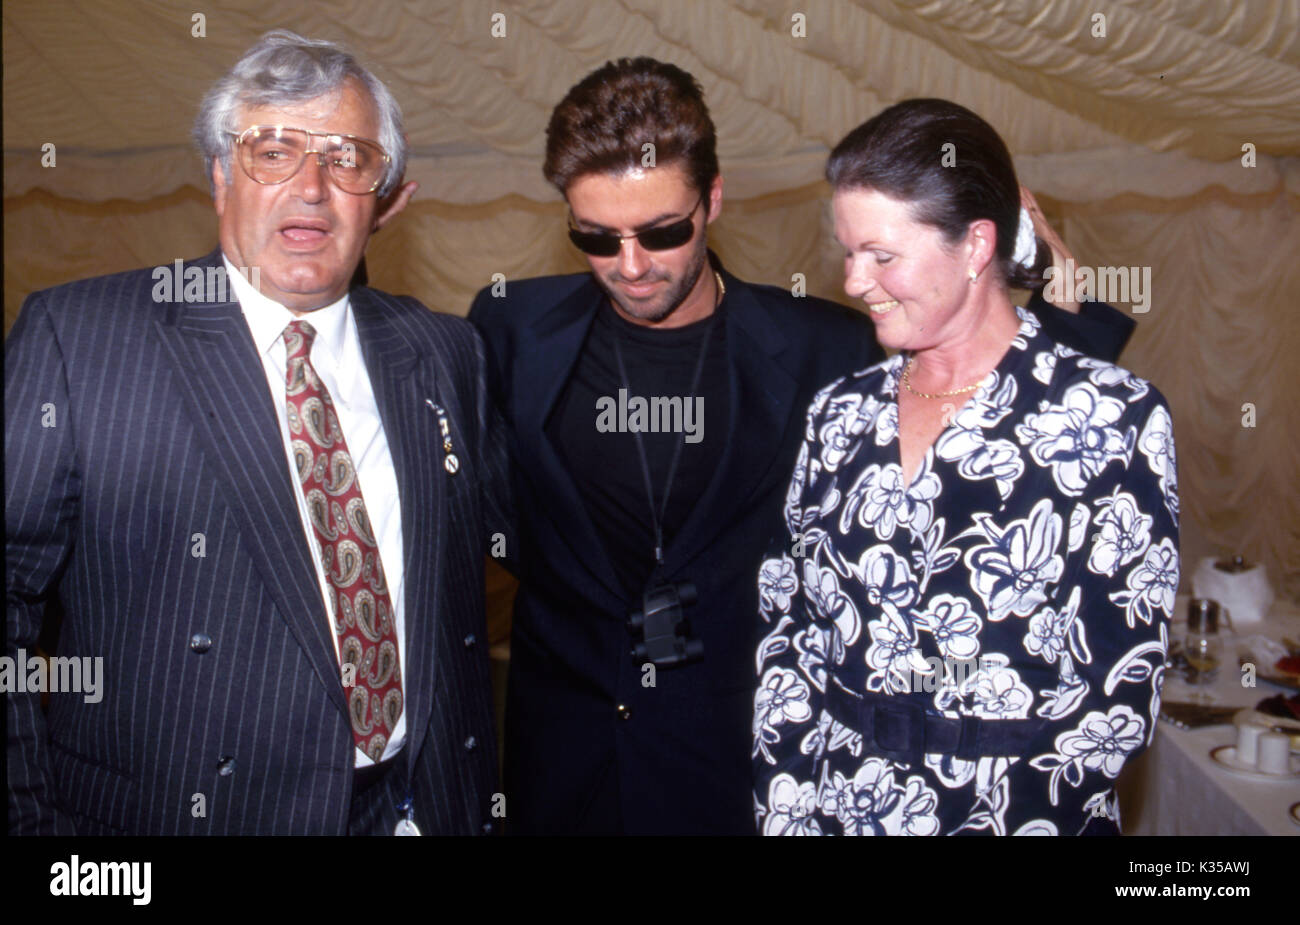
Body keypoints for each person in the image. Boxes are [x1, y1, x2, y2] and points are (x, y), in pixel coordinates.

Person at [470, 60, 1135, 835]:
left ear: (711, 199)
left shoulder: (827, 347)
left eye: (661, 231)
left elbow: (997, 411)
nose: (631, 264)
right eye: (594, 235)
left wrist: (1035, 266)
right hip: (563, 768)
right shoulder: (511, 327)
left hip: (741, 770)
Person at [6, 30, 507, 835]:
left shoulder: (442, 350)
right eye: (272, 151)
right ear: (218, 175)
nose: (311, 186)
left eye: (347, 158)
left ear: (382, 195)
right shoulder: (83, 340)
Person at [753, 99, 1179, 836]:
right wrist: (787, 813)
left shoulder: (1113, 417)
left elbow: (1118, 694)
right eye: (848, 252)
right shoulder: (838, 414)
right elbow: (788, 634)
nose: (854, 281)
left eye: (882, 255)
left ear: (977, 245)